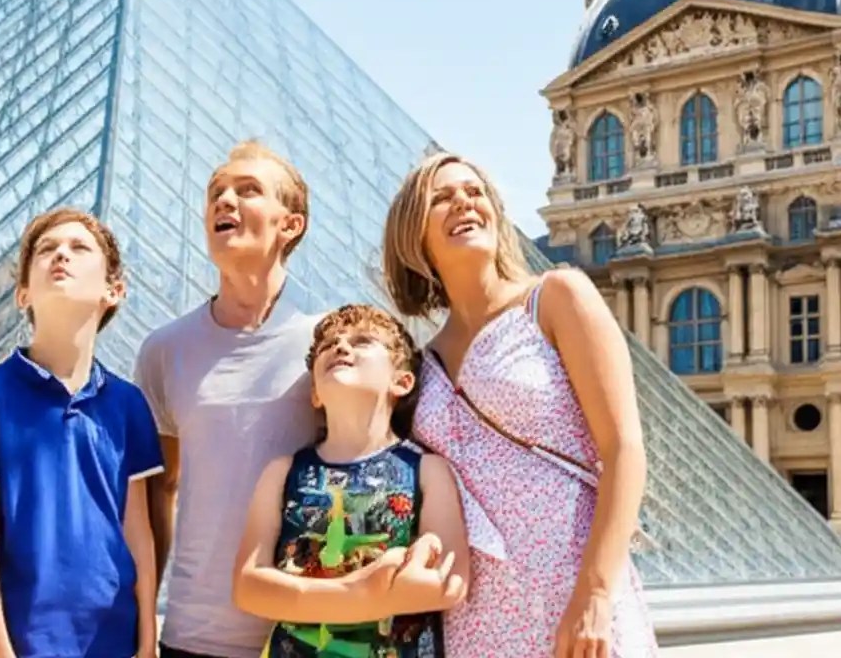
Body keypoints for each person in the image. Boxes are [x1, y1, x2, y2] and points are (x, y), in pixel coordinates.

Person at [381, 152, 658, 657]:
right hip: (475, 615)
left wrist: (595, 594)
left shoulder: (557, 297)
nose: (463, 202)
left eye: (475, 192)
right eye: (440, 198)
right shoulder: (419, 363)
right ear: (413, 234)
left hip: (573, 593)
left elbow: (624, 450)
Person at [137, 140, 334, 658]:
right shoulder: (164, 350)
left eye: (248, 191)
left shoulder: (331, 346)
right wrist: (141, 631)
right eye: (215, 193)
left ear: (290, 225)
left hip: (305, 638)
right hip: (188, 637)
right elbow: (160, 492)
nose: (224, 200)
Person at [0, 208, 162, 658]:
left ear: (113, 290)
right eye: (46, 250)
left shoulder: (129, 405)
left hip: (117, 643)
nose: (61, 254)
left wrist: (147, 643)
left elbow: (138, 532)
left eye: (80, 248)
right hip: (28, 645)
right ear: (23, 294)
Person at [232, 304, 470, 658]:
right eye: (328, 345)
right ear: (315, 392)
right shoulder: (283, 472)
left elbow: (450, 583)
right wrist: (358, 593)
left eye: (362, 341)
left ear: (402, 381)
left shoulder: (426, 470)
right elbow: (248, 586)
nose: (340, 347)